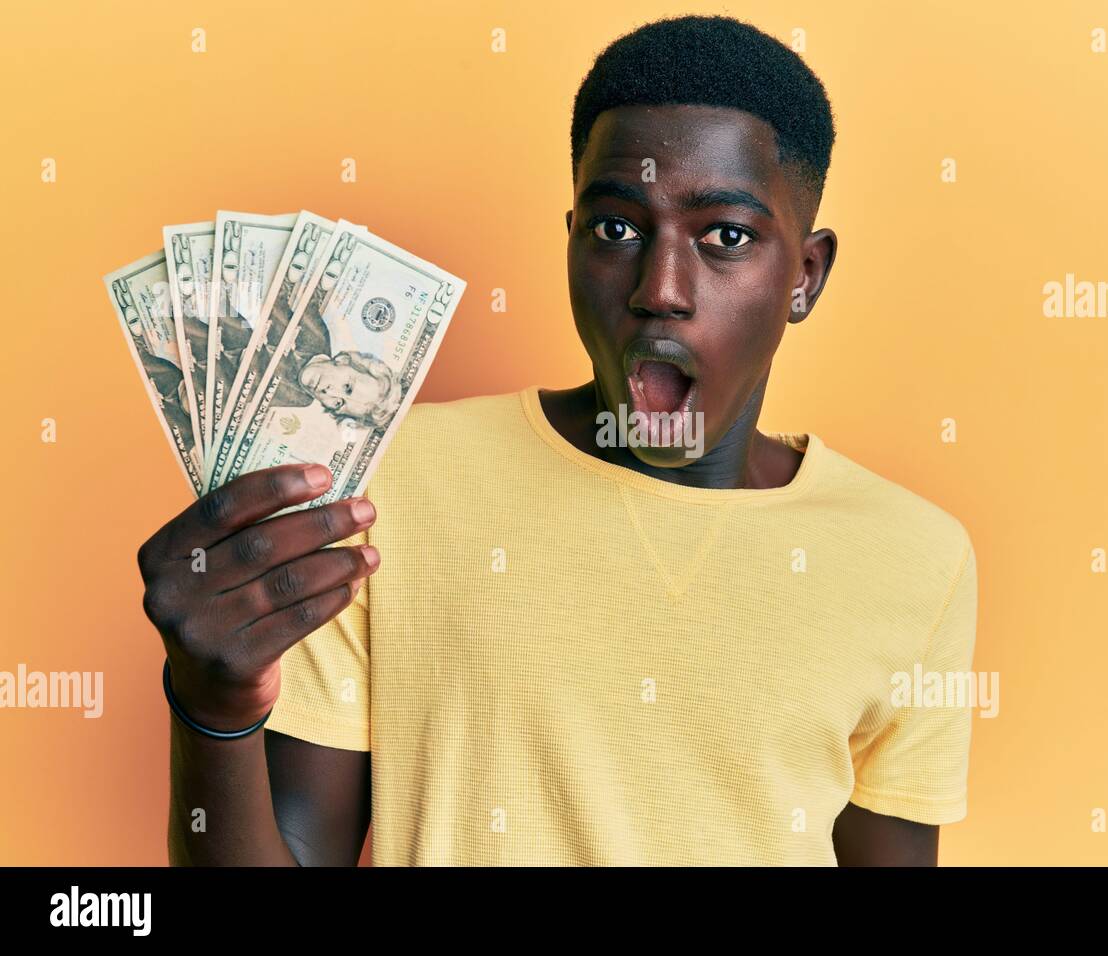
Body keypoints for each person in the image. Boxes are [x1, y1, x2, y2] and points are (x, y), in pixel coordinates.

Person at [139, 14, 978, 866]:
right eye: (616, 228)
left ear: (804, 275)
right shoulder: (379, 484)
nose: (661, 290)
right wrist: (212, 708)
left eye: (726, 235)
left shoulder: (917, 558)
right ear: (572, 239)